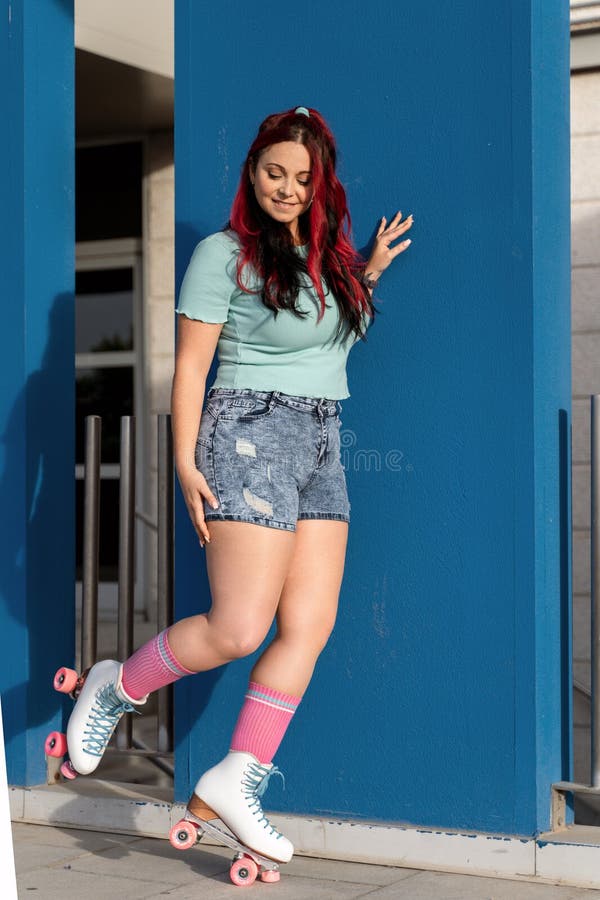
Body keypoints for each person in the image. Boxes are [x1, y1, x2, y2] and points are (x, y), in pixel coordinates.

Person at [63, 106, 413, 865]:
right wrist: (187, 461)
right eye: (273, 173)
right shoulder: (223, 255)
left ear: (320, 185)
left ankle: (237, 774)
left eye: (301, 178)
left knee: (308, 627)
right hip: (248, 433)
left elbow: (331, 346)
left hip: (322, 440)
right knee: (239, 628)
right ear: (251, 173)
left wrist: (368, 274)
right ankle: (117, 686)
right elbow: (192, 367)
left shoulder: (328, 260)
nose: (286, 188)